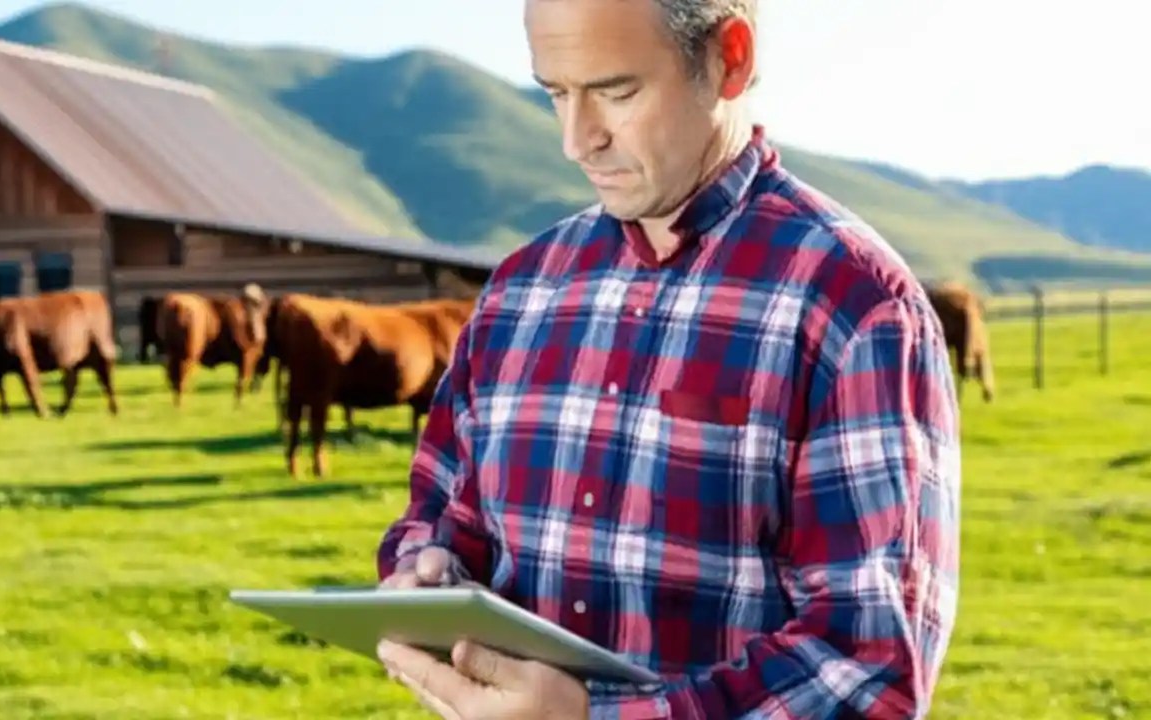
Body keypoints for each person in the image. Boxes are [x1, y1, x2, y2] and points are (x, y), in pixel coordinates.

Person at [374, 0, 962, 717]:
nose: (576, 140)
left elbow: (864, 669)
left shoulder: (854, 308)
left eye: (616, 92)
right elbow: (441, 516)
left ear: (730, 58)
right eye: (555, 93)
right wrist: (427, 573)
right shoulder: (518, 293)